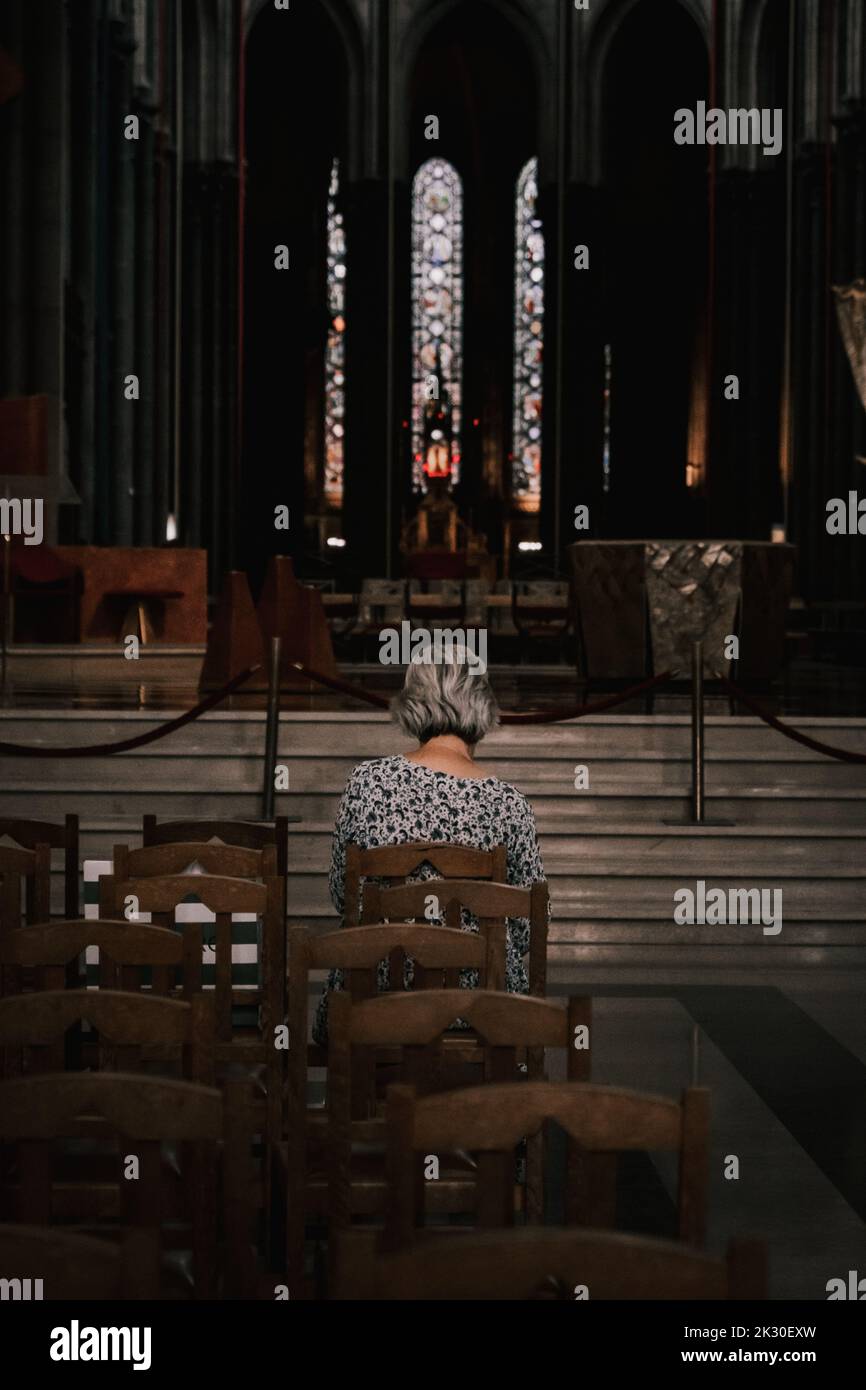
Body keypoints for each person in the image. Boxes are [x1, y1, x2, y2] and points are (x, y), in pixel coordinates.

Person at [313, 644, 546, 1045]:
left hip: (376, 999)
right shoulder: (509, 802)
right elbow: (526, 925)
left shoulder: (365, 784)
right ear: (482, 704)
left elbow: (343, 896)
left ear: (412, 702)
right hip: (481, 1007)